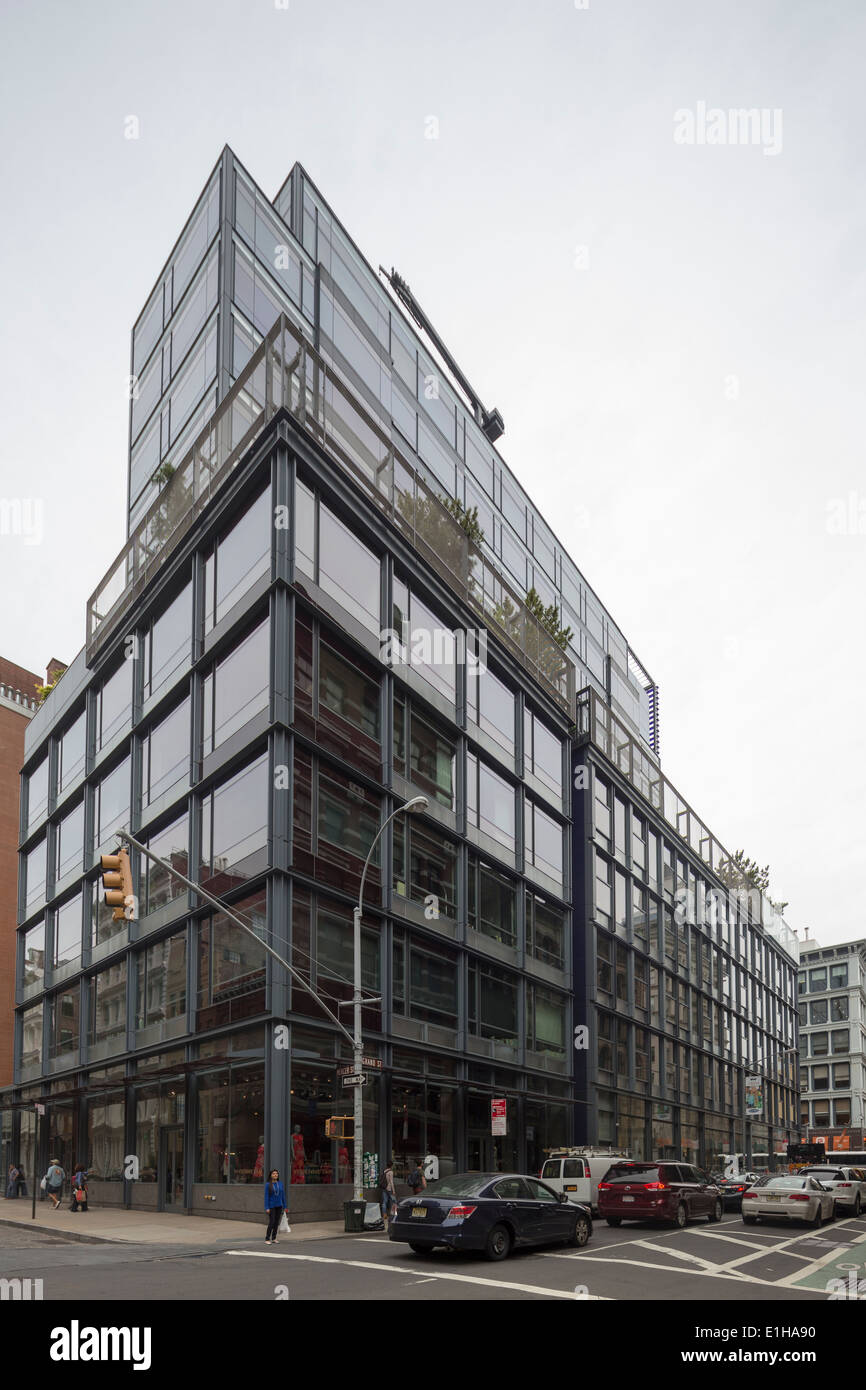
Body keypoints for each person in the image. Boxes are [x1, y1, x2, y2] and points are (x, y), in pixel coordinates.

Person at [264, 1168, 287, 1244]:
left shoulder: (280, 1183)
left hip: (279, 1205)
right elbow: (266, 1197)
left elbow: (283, 1195)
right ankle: (267, 1239)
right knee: (272, 1222)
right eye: (273, 1174)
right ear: (271, 1175)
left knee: (276, 1222)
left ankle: (274, 1238)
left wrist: (285, 1206)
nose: (275, 1175)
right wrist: (267, 1207)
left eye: (276, 1174)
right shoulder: (268, 1184)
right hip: (271, 1206)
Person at [379, 1158, 397, 1231]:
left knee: (384, 1202)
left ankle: (384, 1215)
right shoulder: (391, 1172)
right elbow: (391, 1182)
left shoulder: (385, 1171)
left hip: (384, 1188)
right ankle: (393, 1214)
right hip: (389, 1189)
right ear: (391, 1166)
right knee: (394, 1201)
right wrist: (394, 1190)